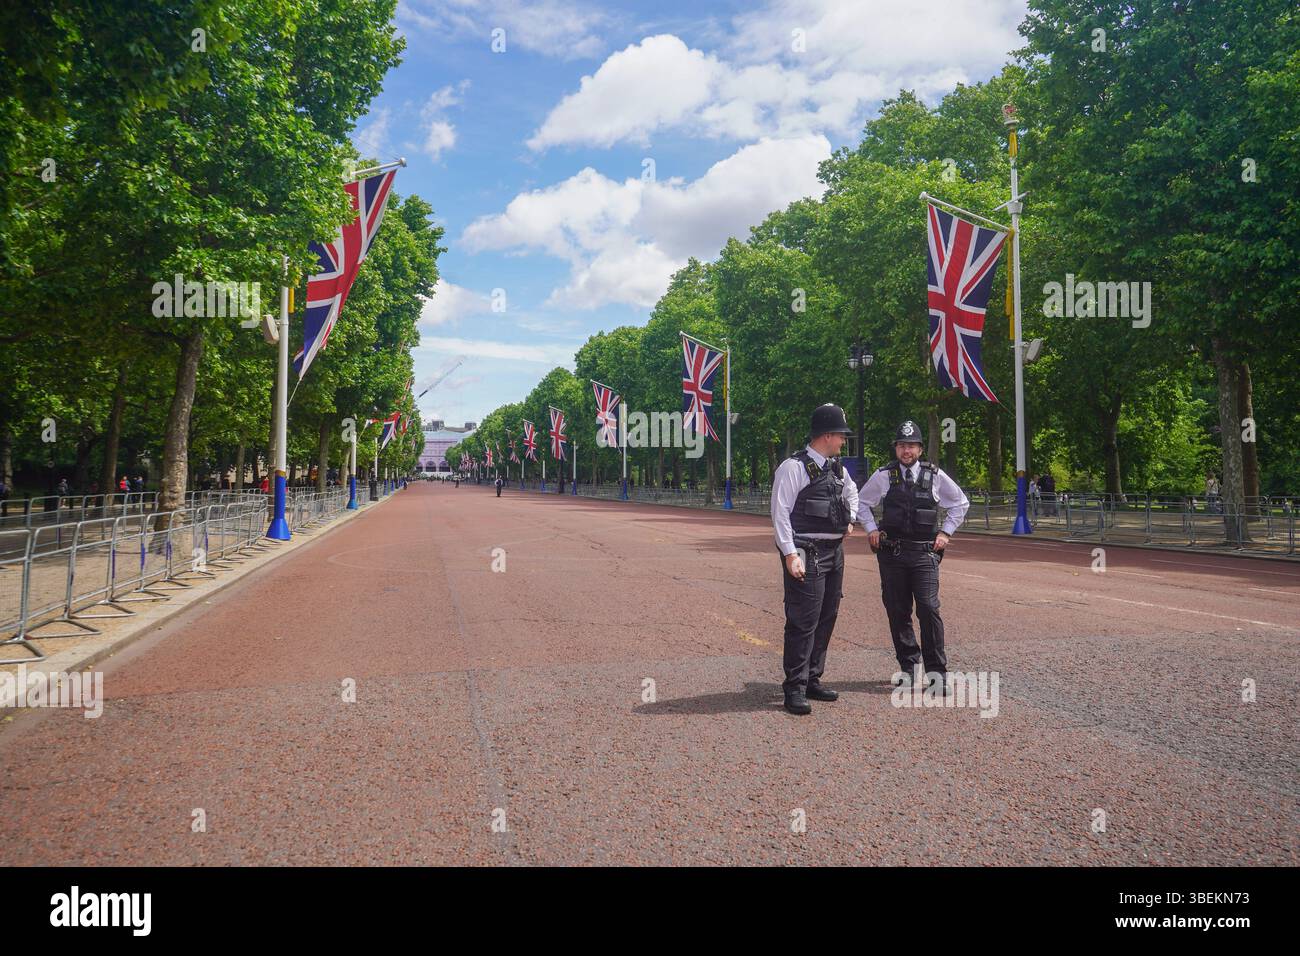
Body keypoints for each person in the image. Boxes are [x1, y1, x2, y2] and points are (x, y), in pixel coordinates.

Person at [858, 420, 969, 692]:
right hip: (892, 554)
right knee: (898, 611)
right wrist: (871, 528)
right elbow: (861, 503)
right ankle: (908, 667)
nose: (906, 451)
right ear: (896, 449)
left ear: (920, 449)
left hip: (924, 555)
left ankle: (937, 673)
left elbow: (960, 503)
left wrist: (946, 533)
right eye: (901, 445)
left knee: (929, 609)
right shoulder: (883, 475)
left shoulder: (935, 476)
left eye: (911, 446)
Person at [771, 403, 859, 716]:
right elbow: (780, 512)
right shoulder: (793, 468)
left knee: (827, 615)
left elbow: (852, 494)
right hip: (807, 550)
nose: (843, 441)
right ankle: (794, 687)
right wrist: (790, 553)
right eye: (840, 435)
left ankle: (812, 678)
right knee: (803, 620)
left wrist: (849, 518)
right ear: (826, 435)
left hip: (835, 552)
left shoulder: (838, 468)